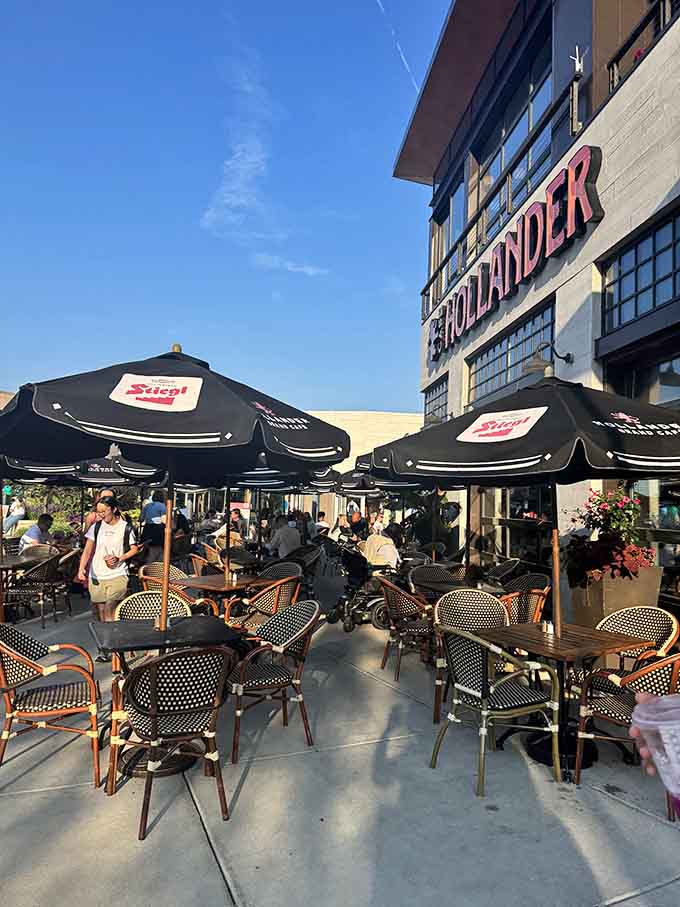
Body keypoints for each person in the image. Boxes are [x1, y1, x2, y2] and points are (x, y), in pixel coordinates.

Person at [78, 496, 140, 627]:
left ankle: (113, 635)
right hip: (97, 574)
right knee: (101, 611)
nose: (101, 514)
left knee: (110, 608)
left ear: (114, 509)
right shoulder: (96, 527)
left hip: (118, 573)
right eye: (98, 512)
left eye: (104, 511)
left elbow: (134, 549)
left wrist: (119, 558)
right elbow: (87, 550)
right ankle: (106, 636)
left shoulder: (125, 527)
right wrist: (81, 569)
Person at [140, 489, 167, 563]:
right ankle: (154, 566)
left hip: (147, 529)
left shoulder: (147, 506)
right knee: (156, 551)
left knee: (148, 550)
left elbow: (141, 519)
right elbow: (164, 521)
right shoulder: (162, 506)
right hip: (157, 530)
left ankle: (147, 565)